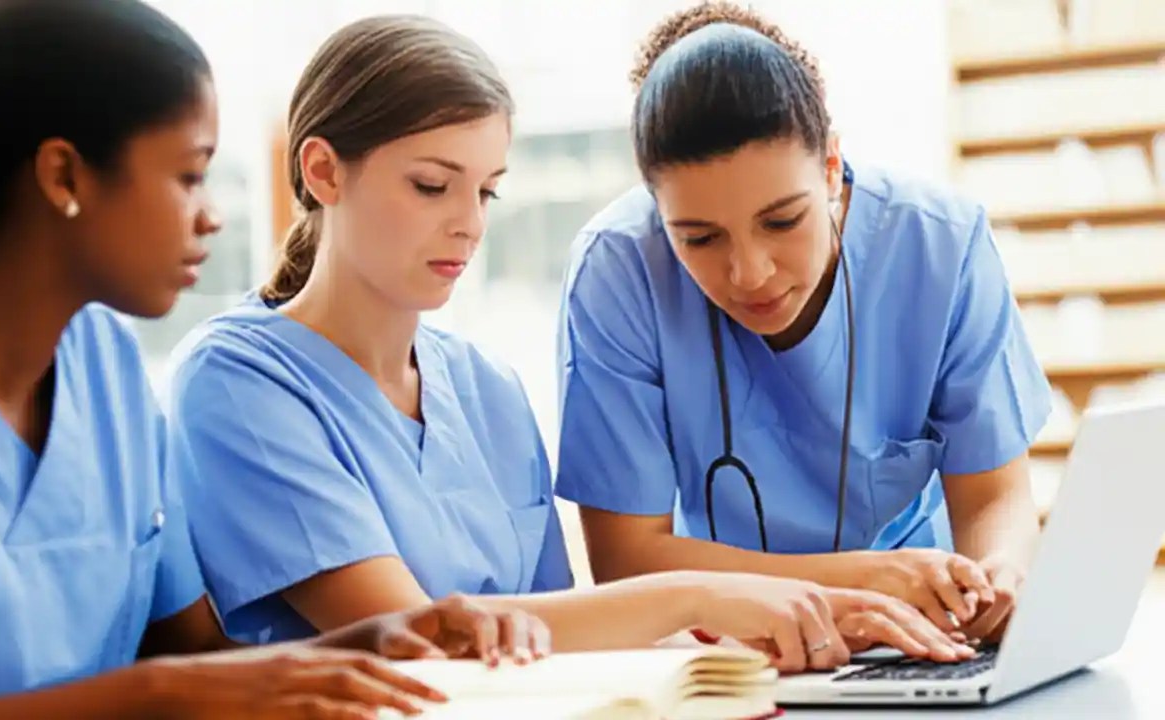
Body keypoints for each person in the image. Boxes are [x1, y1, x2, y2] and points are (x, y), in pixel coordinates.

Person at [168, 14, 976, 677]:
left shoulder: (484, 387)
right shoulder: (238, 379)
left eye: (487, 190)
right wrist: (700, 595)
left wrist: (790, 639)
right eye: (431, 185)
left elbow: (556, 644)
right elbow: (415, 639)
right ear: (321, 171)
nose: (469, 223)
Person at [0, 1, 548, 717]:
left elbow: (198, 656)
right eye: (189, 176)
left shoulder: (107, 371)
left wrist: (379, 640)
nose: (212, 216)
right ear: (64, 177)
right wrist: (157, 694)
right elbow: (173, 684)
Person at [554, 1, 1050, 643]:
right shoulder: (617, 270)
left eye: (782, 221)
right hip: (732, 646)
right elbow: (626, 559)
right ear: (655, 209)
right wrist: (866, 581)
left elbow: (992, 493)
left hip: (925, 632)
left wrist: (1000, 575)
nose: (750, 273)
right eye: (700, 238)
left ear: (831, 167)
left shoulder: (939, 247)